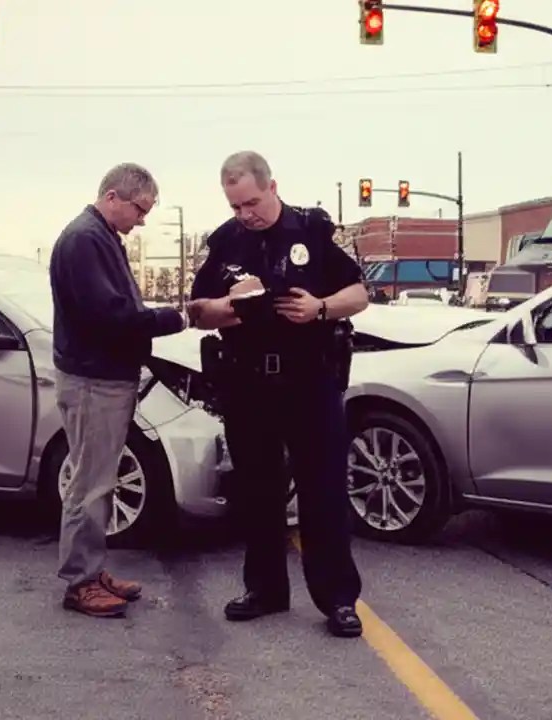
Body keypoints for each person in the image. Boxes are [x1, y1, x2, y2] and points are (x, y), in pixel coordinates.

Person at [187, 151, 370, 638]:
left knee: (323, 493)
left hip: (311, 381)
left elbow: (360, 293)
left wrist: (321, 307)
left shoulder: (311, 231)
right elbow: (198, 310)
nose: (245, 214)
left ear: (272, 187)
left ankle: (338, 600)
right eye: (235, 206)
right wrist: (230, 304)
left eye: (250, 202)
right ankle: (265, 590)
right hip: (249, 384)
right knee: (258, 493)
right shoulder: (226, 243)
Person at [49, 162, 188, 618]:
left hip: (103, 378)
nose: (142, 219)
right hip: (94, 381)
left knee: (100, 480)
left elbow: (118, 309)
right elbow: (111, 317)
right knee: (89, 484)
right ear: (113, 197)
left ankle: (91, 570)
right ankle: (80, 582)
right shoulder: (84, 241)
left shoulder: (100, 237)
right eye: (140, 209)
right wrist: (177, 318)